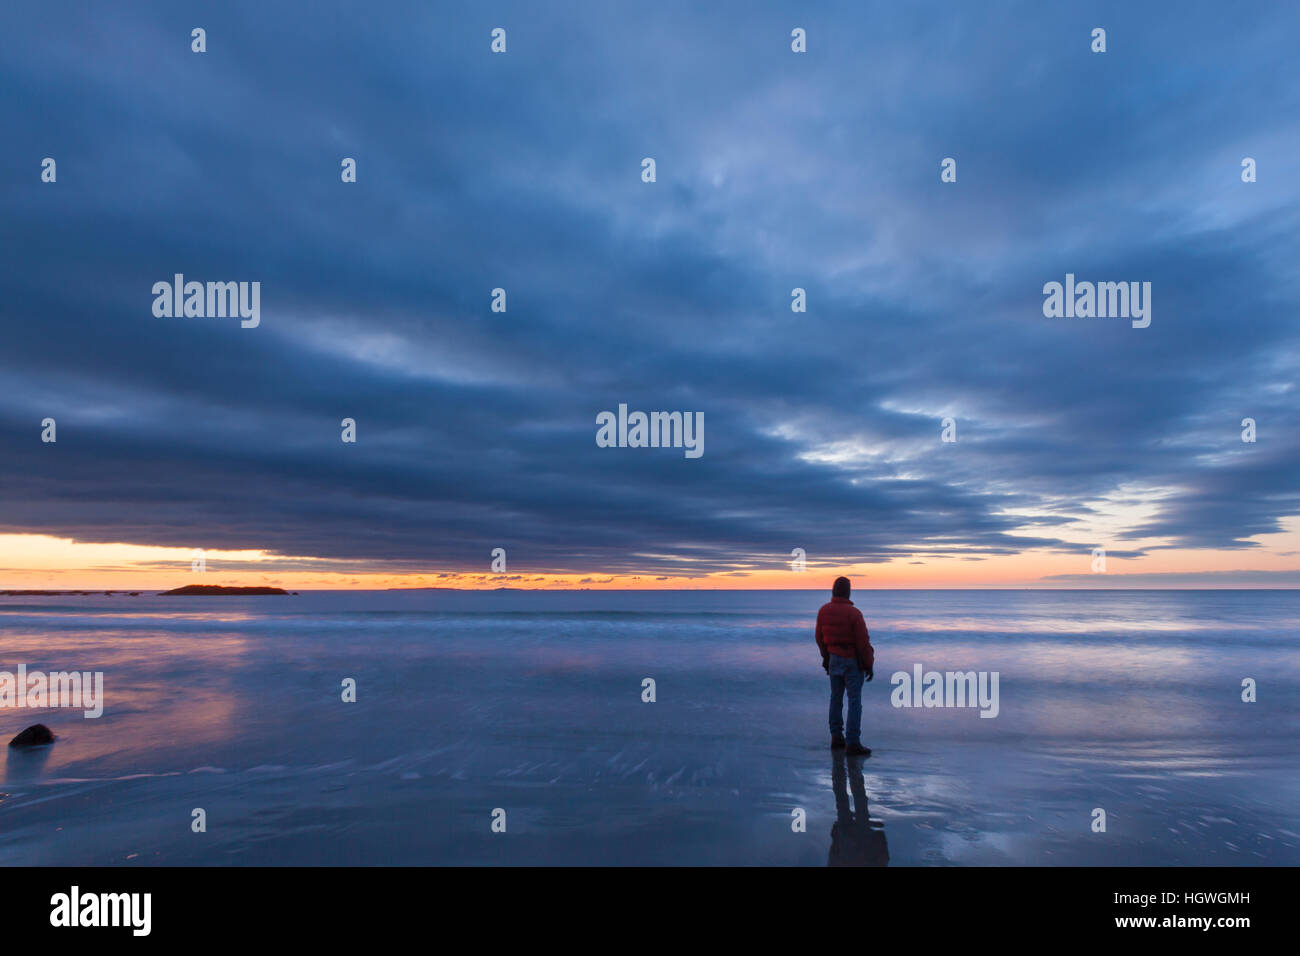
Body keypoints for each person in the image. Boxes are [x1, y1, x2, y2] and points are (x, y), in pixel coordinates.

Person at [815, 576, 874, 756]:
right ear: (848, 592)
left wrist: (826, 657)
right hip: (851, 661)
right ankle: (853, 742)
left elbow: (819, 637)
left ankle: (836, 737)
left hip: (834, 658)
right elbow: (862, 642)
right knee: (854, 701)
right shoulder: (854, 614)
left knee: (836, 699)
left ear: (833, 591)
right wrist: (868, 664)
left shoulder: (823, 611)